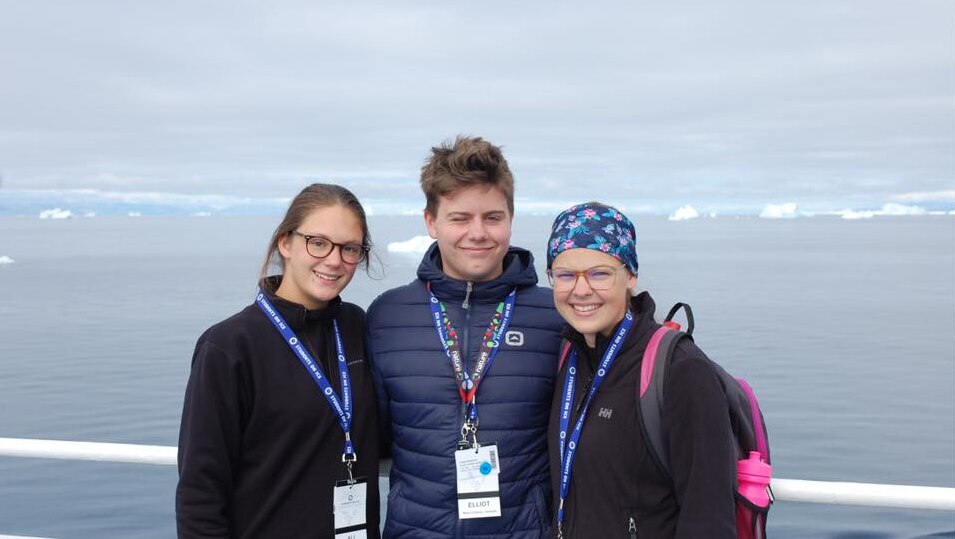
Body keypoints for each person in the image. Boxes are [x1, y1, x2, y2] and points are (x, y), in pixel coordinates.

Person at [367, 136, 564, 538]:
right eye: (459, 218)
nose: (478, 233)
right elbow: (374, 431)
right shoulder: (387, 316)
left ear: (511, 216)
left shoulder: (556, 316)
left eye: (493, 217)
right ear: (430, 221)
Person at [176, 183, 380, 538]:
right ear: (286, 243)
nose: (334, 260)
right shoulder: (229, 347)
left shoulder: (357, 327)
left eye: (349, 249)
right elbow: (200, 491)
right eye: (318, 243)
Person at [545, 202, 735, 538]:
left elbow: (709, 521)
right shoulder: (569, 357)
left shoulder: (681, 371)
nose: (581, 289)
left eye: (600, 273)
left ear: (630, 275)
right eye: (565, 275)